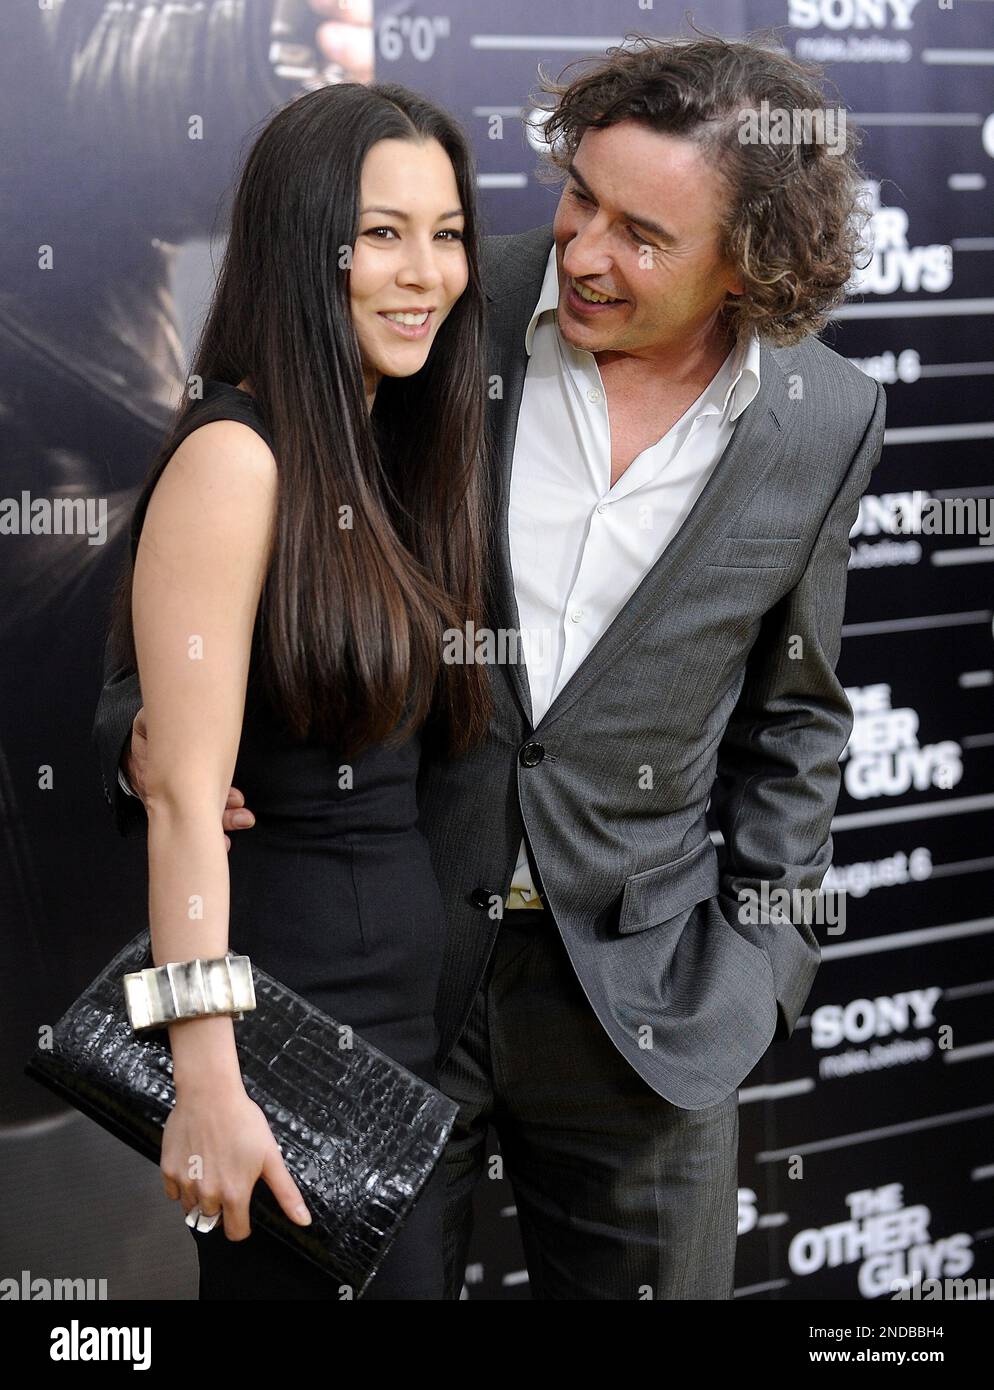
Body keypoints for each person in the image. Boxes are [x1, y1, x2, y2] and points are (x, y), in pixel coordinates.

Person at [97, 34, 888, 1300]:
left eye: (641, 233)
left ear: (747, 262)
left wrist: (758, 975)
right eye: (580, 197)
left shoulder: (828, 417)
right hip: (393, 978)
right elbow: (229, 528)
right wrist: (146, 725)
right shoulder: (447, 310)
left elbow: (797, 719)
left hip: (647, 1009)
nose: (581, 251)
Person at [98, 79, 493, 1299]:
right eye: (381, 234)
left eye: (446, 233)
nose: (424, 272)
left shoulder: (385, 450)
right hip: (295, 1046)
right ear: (299, 245)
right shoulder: (236, 460)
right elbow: (183, 801)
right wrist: (207, 1080)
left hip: (408, 1033)